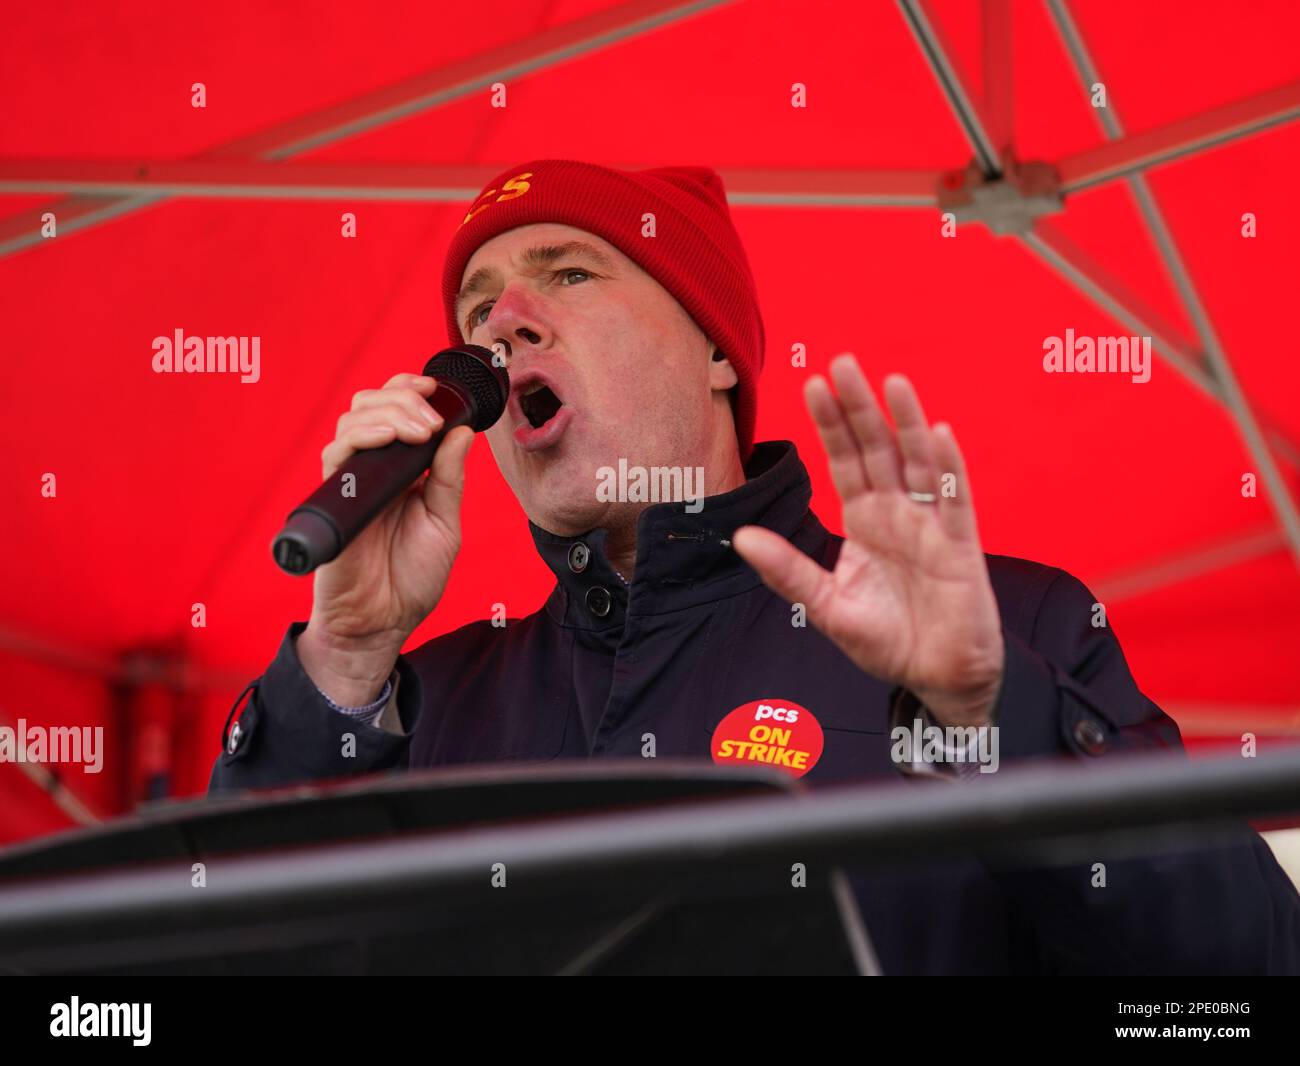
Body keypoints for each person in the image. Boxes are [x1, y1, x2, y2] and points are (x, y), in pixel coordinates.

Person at [209, 158, 1300, 975]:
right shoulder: (423, 705)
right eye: (476, 304)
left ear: (719, 347)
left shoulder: (1004, 627)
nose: (501, 321)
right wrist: (340, 664)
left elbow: (1234, 974)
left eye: (568, 272)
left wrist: (987, 713)